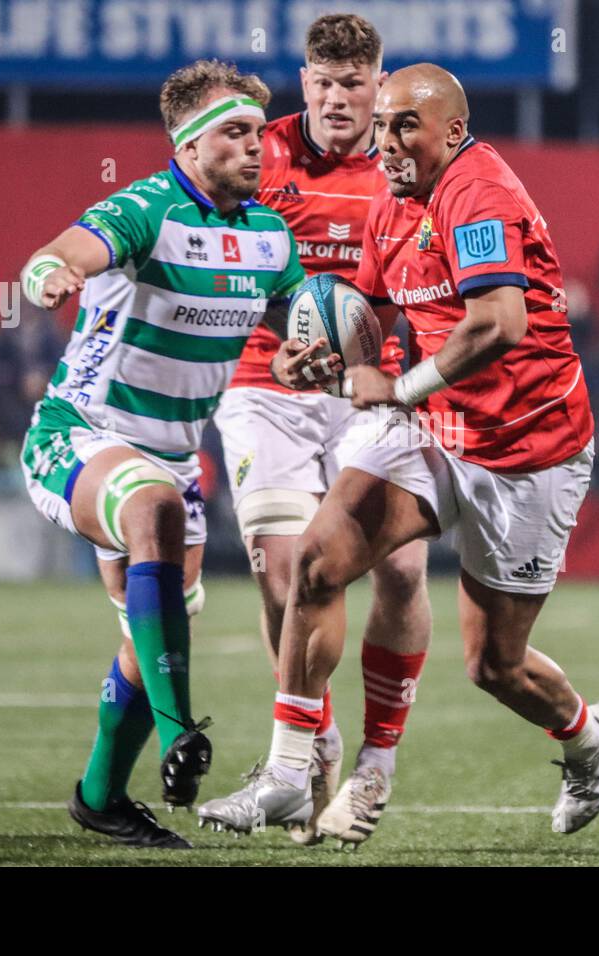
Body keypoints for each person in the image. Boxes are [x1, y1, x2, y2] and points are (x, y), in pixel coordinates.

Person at [198, 63, 599, 843]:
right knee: (317, 562)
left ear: (452, 134)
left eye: (404, 126)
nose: (385, 141)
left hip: (527, 450)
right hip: (433, 429)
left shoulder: (477, 191)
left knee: (496, 667)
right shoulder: (392, 203)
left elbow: (499, 323)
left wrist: (399, 387)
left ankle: (588, 736)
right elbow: (366, 314)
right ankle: (291, 772)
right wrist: (310, 356)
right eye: (382, 124)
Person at [17, 59, 303, 849]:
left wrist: (309, 357)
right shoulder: (146, 207)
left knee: (152, 633)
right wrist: (51, 271)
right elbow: (66, 251)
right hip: (77, 437)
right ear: (189, 145)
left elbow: (286, 347)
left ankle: (100, 796)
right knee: (153, 510)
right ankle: (184, 732)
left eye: (258, 133)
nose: (256, 148)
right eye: (235, 134)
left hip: (175, 462)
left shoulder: (272, 238)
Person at [210, 13, 432, 847]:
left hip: (375, 393)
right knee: (283, 575)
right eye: (323, 83)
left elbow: (433, 280)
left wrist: (391, 363)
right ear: (304, 83)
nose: (338, 99)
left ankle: (376, 767)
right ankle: (313, 751)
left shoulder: (407, 166)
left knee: (404, 572)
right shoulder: (256, 154)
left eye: (354, 84)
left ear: (380, 84)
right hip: (265, 382)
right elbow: (206, 241)